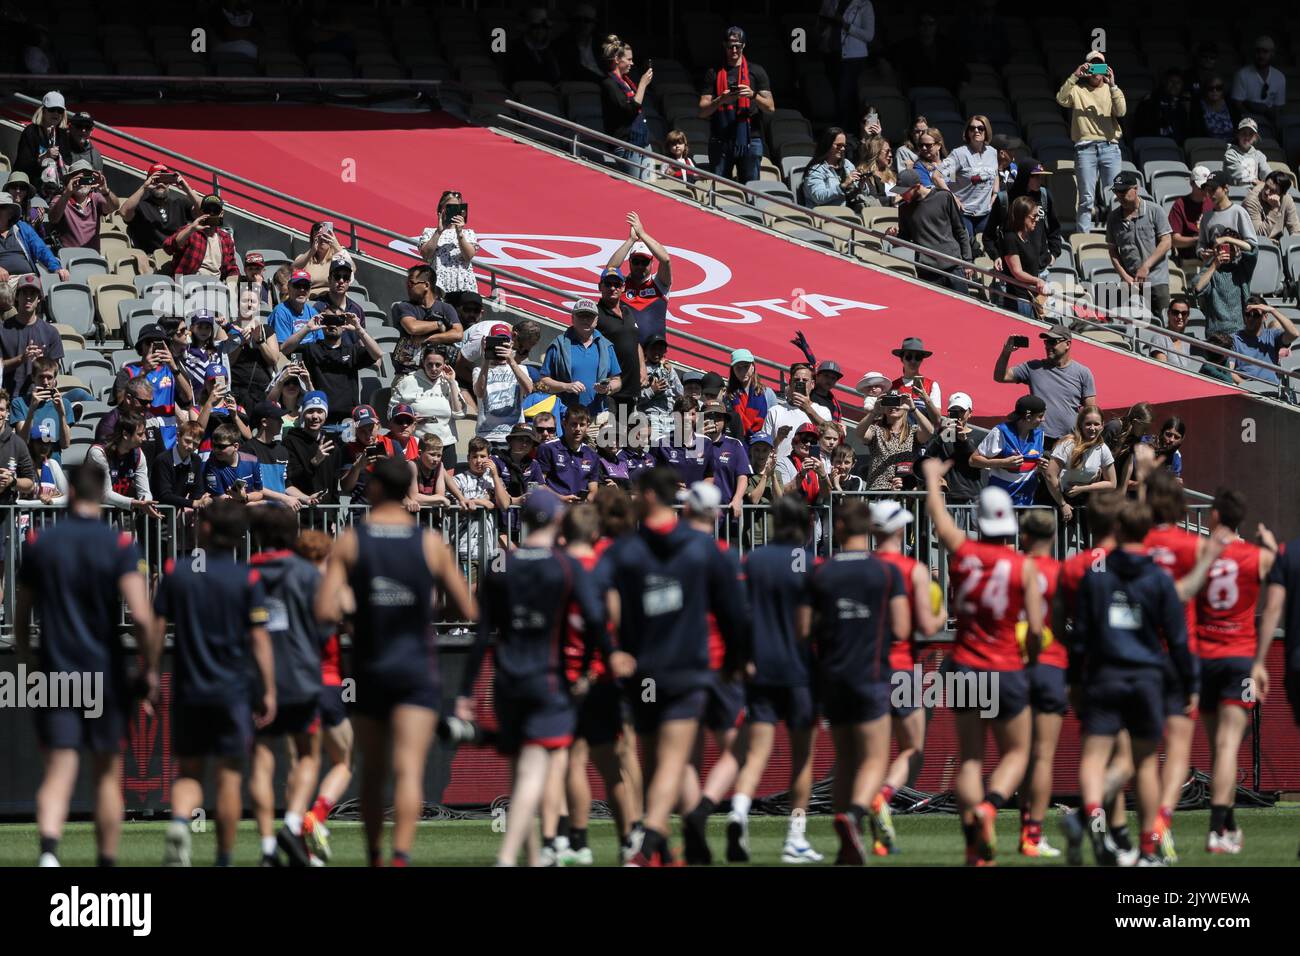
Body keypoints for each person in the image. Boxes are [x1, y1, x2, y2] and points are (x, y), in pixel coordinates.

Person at [316, 458, 476, 866]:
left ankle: (374, 857)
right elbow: (467, 609)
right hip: (417, 669)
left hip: (371, 668)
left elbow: (324, 608)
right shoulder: (429, 543)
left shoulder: (353, 539)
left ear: (372, 490)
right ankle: (401, 858)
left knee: (372, 772)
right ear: (408, 489)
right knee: (409, 770)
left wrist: (354, 617)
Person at [461, 488, 625, 867]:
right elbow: (596, 620)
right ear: (556, 520)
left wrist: (466, 692)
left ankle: (534, 858)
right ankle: (505, 858)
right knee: (537, 770)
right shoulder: (565, 565)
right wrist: (601, 660)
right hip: (548, 681)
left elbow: (481, 634)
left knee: (521, 774)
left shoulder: (502, 566)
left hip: (505, 682)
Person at [602, 467, 749, 867]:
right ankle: (657, 842)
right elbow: (736, 614)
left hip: (651, 671)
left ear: (648, 495)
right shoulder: (705, 551)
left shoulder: (626, 550)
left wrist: (610, 648)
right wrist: (737, 662)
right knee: (666, 762)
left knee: (660, 762)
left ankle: (653, 844)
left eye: (636, 492)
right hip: (681, 669)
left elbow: (595, 600)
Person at [14, 462, 154, 868]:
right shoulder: (120, 545)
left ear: (70, 493)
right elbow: (143, 618)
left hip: (57, 670)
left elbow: (21, 617)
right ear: (101, 493)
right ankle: (106, 861)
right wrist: (147, 669)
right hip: (105, 675)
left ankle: (48, 855)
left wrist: (27, 662)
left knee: (58, 770)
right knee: (107, 774)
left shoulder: (41, 543)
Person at [1064, 500, 1198, 867]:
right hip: (1146, 677)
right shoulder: (1159, 578)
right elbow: (1179, 638)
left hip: (1103, 673)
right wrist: (1190, 683)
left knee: (1094, 757)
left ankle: (1089, 818)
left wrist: (1074, 679)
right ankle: (1148, 849)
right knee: (1143, 763)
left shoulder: (1096, 574)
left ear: (1120, 531)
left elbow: (1080, 636)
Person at [924, 457, 1043, 865]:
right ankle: (990, 807)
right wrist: (1031, 662)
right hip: (1005, 664)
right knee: (1018, 753)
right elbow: (1038, 628)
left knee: (970, 759)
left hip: (962, 663)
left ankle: (975, 847)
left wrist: (931, 480)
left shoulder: (963, 552)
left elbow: (940, 522)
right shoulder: (1022, 567)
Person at [152, 501, 273, 866]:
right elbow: (260, 640)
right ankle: (223, 858)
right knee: (229, 777)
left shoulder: (177, 571)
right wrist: (268, 689)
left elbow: (155, 626)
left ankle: (178, 823)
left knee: (189, 773)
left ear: (205, 531)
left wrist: (149, 673)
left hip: (189, 690)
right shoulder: (248, 578)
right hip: (233, 693)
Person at [808, 497, 910, 864]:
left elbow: (804, 627)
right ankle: (851, 817)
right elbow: (901, 627)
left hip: (832, 675)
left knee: (845, 759)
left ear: (836, 528)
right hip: (871, 674)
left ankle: (846, 848)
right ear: (868, 529)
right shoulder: (886, 572)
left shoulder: (820, 571)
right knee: (873, 760)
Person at [1194, 488, 1275, 854]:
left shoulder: (1200, 552)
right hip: (1239, 658)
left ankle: (1227, 824)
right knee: (1227, 746)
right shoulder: (1257, 557)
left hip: (1204, 656)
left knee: (1218, 747)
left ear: (1214, 517)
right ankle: (1217, 830)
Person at [246, 505, 326, 867]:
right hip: (300, 676)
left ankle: (266, 848)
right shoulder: (307, 574)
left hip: (257, 682)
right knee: (308, 753)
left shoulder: (245, 573)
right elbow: (325, 626)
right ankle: (292, 823)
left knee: (262, 761)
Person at [871, 498, 944, 855]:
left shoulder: (864, 567)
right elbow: (928, 625)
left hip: (864, 668)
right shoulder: (912, 570)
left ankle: (865, 813)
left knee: (870, 754)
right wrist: (941, 607)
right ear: (900, 529)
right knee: (912, 747)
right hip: (899, 667)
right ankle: (882, 797)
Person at [1056, 51, 1127, 233]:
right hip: (1085, 148)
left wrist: (1113, 85)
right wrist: (1074, 76)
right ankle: (1084, 237)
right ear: (1086, 68)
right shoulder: (1078, 90)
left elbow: (1121, 112)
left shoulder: (1111, 90)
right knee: (1086, 198)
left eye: (1100, 66)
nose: (1096, 71)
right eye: (1092, 66)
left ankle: (1117, 234)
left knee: (1115, 195)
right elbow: (1061, 99)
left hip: (1109, 147)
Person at [993, 327, 1097, 448]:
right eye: (1046, 342)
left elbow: (1090, 411)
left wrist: (1084, 442)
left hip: (1068, 441)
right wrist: (1006, 352)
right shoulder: (1033, 367)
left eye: (1053, 342)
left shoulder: (1083, 373)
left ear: (1067, 344)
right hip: (1035, 438)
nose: (1048, 346)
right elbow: (1001, 377)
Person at [698, 27, 774, 184]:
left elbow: (770, 108)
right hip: (721, 139)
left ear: (743, 46)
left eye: (737, 46)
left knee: (752, 189)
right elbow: (702, 112)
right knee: (720, 189)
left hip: (750, 139)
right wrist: (721, 100)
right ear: (724, 45)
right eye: (730, 46)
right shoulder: (714, 72)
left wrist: (752, 95)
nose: (733, 50)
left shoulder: (756, 71)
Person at [283, 309, 383, 426]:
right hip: (319, 417)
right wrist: (307, 328)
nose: (332, 324)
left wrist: (359, 330)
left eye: (337, 320)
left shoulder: (352, 350)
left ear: (344, 325)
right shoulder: (311, 349)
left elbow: (377, 354)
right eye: (328, 320)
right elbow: (285, 349)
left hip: (348, 418)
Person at [888, 169, 972, 292]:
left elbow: (960, 230)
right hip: (927, 271)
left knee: (963, 309)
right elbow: (904, 238)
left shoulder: (944, 197)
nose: (901, 195)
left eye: (904, 192)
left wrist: (967, 261)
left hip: (954, 266)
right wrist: (892, 237)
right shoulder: (904, 209)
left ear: (917, 187)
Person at [1106, 171, 1173, 317]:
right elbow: (1112, 251)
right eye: (1117, 191)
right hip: (1130, 283)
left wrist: (1146, 266)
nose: (1120, 195)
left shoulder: (1154, 210)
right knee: (1131, 326)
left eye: (1124, 191)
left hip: (1156, 280)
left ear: (1136, 189)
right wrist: (1124, 276)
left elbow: (1167, 242)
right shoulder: (1113, 217)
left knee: (1163, 323)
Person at [538, 299, 621, 416]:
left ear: (596, 320)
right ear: (572, 318)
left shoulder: (607, 346)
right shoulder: (558, 345)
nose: (586, 320)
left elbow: (617, 380)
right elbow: (543, 381)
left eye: (590, 316)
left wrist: (608, 388)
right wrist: (566, 386)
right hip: (565, 416)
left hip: (597, 416)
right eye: (581, 316)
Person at [391, 344, 466, 469]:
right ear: (422, 362)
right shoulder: (408, 381)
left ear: (445, 364)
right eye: (429, 364)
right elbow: (391, 412)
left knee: (445, 486)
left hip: (445, 444)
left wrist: (452, 382)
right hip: (417, 443)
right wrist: (409, 419)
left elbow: (460, 414)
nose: (434, 368)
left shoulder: (448, 382)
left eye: (438, 365)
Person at [606, 212, 673, 347]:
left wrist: (642, 233)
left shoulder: (660, 284)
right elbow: (610, 268)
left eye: (645, 262)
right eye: (636, 261)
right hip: (623, 353)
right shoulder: (621, 284)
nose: (640, 266)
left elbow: (665, 260)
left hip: (651, 358)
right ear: (629, 262)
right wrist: (631, 240)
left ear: (652, 263)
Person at [984, 160, 1063, 271]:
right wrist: (995, 256)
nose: (1040, 180)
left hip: (1040, 267)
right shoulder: (1005, 199)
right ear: (1025, 176)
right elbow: (988, 235)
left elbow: (1054, 228)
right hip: (1011, 268)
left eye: (1041, 177)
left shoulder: (1044, 196)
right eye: (1036, 177)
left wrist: (1054, 254)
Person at [971, 394, 1048, 506]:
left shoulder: (1039, 435)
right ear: (1028, 417)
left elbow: (1031, 470)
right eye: (1040, 416)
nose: (1043, 420)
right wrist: (1003, 462)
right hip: (999, 504)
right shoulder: (1001, 431)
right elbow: (973, 461)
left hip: (1025, 504)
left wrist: (1041, 468)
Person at [1045, 406, 1117, 524]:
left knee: (1091, 540)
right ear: (1080, 425)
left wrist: (1082, 488)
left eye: (1096, 424)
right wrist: (1063, 504)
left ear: (1102, 425)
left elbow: (1112, 484)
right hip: (1058, 498)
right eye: (1088, 424)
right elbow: (1050, 475)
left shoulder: (1103, 449)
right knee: (1063, 541)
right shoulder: (1068, 444)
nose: (1092, 428)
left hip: (1085, 500)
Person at [391, 264, 463, 377]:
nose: (407, 287)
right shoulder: (404, 306)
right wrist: (439, 324)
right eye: (407, 283)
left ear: (426, 285)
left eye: (411, 283)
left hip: (437, 373)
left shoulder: (446, 308)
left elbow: (458, 334)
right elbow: (412, 328)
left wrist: (429, 338)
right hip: (408, 372)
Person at [1, 274, 64, 403]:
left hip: (41, 398)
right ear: (17, 297)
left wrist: (41, 363)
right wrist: (21, 359)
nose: (28, 298)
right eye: (24, 293)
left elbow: (54, 373)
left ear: (39, 299)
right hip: (8, 398)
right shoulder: (2, 329)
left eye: (33, 294)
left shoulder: (51, 332)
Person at [593, 268, 643, 425]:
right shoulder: (595, 314)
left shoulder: (627, 311)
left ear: (623, 287)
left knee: (627, 438)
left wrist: (643, 367)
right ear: (600, 286)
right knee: (610, 439)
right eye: (608, 284)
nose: (612, 288)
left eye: (617, 284)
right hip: (611, 390)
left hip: (632, 389)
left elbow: (636, 341)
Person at [853, 391, 932, 490]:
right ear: (884, 406)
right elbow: (859, 433)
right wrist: (874, 412)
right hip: (878, 490)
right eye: (889, 401)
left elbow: (929, 432)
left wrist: (913, 409)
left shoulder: (913, 431)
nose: (893, 406)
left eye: (898, 402)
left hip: (905, 490)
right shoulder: (876, 430)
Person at [600, 35, 654, 181]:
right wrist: (642, 84)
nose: (632, 63)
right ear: (617, 59)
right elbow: (630, 110)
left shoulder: (626, 81)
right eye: (629, 59)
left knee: (652, 189)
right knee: (635, 189)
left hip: (642, 142)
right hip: (627, 145)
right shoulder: (609, 84)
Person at [119, 162, 203, 255]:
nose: (161, 183)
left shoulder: (180, 204)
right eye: (157, 179)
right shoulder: (141, 206)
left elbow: (203, 212)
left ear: (170, 183)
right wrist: (144, 187)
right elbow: (124, 212)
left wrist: (186, 188)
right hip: (152, 259)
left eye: (165, 179)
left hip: (177, 257)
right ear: (149, 180)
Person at [940, 115, 999, 246]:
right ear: (968, 132)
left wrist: (995, 193)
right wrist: (953, 197)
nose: (976, 131)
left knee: (988, 251)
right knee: (968, 250)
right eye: (972, 128)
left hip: (985, 212)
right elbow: (937, 176)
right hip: (964, 213)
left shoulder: (992, 152)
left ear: (986, 131)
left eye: (980, 128)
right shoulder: (959, 154)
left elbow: (995, 173)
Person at [473, 321, 532, 450]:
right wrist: (486, 358)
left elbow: (529, 389)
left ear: (511, 344)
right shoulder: (479, 370)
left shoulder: (521, 368)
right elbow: (480, 393)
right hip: (486, 436)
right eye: (495, 342)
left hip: (513, 436)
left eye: (504, 342)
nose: (499, 346)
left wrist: (511, 359)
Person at [818, 0, 875, 127]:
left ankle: (849, 132)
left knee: (847, 97)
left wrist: (846, 25)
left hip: (854, 59)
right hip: (831, 55)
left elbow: (869, 35)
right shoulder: (829, 2)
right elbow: (820, 25)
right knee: (836, 97)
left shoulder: (865, 4)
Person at [1193, 227, 1257, 338]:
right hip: (1216, 333)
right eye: (1224, 247)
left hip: (1239, 331)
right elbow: (1198, 288)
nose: (1227, 251)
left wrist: (1227, 239)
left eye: (1231, 248)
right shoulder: (1211, 269)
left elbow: (1252, 250)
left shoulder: (1242, 269)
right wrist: (1214, 264)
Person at [763, 363, 832, 464]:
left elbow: (829, 436)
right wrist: (778, 439)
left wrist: (808, 410)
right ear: (790, 383)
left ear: (812, 384)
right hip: (778, 471)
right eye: (796, 380)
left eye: (805, 380)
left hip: (809, 472)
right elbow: (763, 447)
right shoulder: (775, 411)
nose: (801, 383)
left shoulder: (823, 411)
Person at [416, 194, 478, 305]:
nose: (453, 211)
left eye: (456, 208)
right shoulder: (430, 232)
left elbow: (468, 256)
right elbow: (426, 255)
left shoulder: (468, 233)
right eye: (449, 207)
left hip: (463, 284)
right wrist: (439, 232)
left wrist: (459, 233)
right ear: (440, 210)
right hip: (438, 284)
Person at [284, 391, 343, 504]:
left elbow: (333, 487)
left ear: (325, 415)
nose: (315, 416)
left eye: (320, 411)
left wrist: (333, 518)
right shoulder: (290, 442)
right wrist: (314, 462)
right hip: (301, 513)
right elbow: (291, 481)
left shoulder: (332, 446)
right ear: (303, 414)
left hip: (326, 517)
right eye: (310, 411)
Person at [997, 194, 1051, 316]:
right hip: (1018, 300)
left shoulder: (1028, 237)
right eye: (1034, 216)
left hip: (1030, 297)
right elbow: (1017, 272)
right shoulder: (1010, 239)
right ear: (1022, 217)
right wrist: (1037, 281)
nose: (1037, 219)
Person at [48, 161, 119, 253]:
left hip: (92, 256)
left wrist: (105, 191)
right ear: (69, 181)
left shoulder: (96, 198)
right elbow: (53, 219)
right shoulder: (60, 199)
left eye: (86, 178)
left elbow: (115, 206)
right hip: (69, 257)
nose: (82, 183)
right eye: (78, 178)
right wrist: (67, 193)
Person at [162, 194, 238, 279]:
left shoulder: (226, 238)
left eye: (215, 210)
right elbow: (168, 247)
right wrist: (191, 228)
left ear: (222, 213)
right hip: (188, 283)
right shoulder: (190, 231)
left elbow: (231, 268)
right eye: (207, 210)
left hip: (215, 286)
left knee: (247, 286)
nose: (211, 213)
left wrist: (236, 285)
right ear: (201, 212)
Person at [0, 194, 67, 290]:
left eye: (1, 208)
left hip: (27, 280)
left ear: (10, 213)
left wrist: (57, 268)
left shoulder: (22, 228)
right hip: (3, 284)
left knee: (34, 289)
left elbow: (42, 250)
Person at [1230, 297, 1298, 388]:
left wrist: (1272, 310)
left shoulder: (1273, 336)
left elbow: (1294, 334)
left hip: (1271, 390)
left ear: (1265, 317)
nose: (1250, 318)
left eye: (1256, 315)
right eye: (1247, 314)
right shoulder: (1235, 339)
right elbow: (1229, 371)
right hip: (1245, 389)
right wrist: (1249, 386)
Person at [801, 127, 868, 211]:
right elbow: (818, 197)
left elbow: (863, 194)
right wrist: (843, 186)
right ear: (827, 145)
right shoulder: (816, 170)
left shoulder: (847, 164)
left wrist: (861, 186)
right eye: (838, 145)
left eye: (844, 145)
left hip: (852, 213)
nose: (842, 149)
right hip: (828, 216)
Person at [1230, 36, 1286, 131]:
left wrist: (1268, 115)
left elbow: (1278, 107)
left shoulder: (1279, 77)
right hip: (1247, 122)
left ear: (1272, 54)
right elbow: (1237, 105)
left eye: (1265, 52)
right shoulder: (1242, 74)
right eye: (1258, 51)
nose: (1261, 55)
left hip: (1269, 122)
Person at [13, 91, 69, 184]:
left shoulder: (62, 134)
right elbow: (23, 164)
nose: (56, 113)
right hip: (28, 184)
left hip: (54, 185)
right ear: (43, 111)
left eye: (60, 110)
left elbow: (68, 159)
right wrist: (44, 157)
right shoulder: (31, 131)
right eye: (52, 109)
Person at [637, 335, 682, 444]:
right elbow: (634, 399)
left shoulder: (668, 368)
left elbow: (681, 392)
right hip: (649, 420)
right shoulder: (640, 370)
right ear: (646, 350)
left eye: (660, 349)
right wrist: (652, 390)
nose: (657, 352)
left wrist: (671, 376)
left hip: (669, 419)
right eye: (654, 348)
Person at [290, 221, 355, 298]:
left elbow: (352, 268)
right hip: (313, 301)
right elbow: (293, 269)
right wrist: (312, 251)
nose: (322, 239)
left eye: (326, 236)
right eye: (319, 237)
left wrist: (337, 246)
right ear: (313, 238)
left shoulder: (337, 257)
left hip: (335, 299)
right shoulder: (306, 258)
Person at [1134, 68, 1191, 143]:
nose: (1174, 85)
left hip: (1176, 145)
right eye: (1171, 81)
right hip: (1152, 142)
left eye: (1178, 83)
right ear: (1165, 82)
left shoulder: (1183, 103)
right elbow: (1142, 128)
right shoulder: (1150, 100)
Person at [1168, 166, 1214, 259]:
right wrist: (1198, 240)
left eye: (1207, 186)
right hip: (1189, 257)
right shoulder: (1180, 205)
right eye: (1201, 187)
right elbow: (1174, 240)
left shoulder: (1213, 202)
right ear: (1191, 184)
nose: (1205, 190)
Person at [509, 8, 562, 85]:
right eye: (536, 27)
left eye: (544, 27)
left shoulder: (550, 49)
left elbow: (556, 76)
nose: (540, 30)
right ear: (527, 28)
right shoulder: (515, 48)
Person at [1147, 295, 1200, 371]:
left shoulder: (1189, 342)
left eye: (1184, 313)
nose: (1180, 317)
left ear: (1188, 317)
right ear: (1169, 314)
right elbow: (1161, 370)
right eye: (1175, 312)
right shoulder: (1159, 338)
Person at [1244, 171, 1300, 241]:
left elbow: (1295, 230)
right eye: (1266, 186)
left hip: (1278, 243)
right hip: (1259, 245)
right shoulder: (1251, 201)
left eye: (1272, 191)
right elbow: (1259, 236)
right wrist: (1274, 210)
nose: (1267, 192)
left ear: (1281, 194)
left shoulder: (1286, 199)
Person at [1188, 74, 1240, 142]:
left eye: (1218, 88)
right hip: (1208, 146)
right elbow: (1197, 132)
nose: (1214, 91)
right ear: (1205, 89)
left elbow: (1240, 126)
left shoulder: (1230, 104)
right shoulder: (1198, 106)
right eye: (1210, 88)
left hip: (1231, 145)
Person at [1224, 118, 1272, 186]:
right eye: (1243, 133)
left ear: (1255, 137)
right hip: (1236, 192)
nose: (1247, 137)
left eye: (1251, 134)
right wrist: (1258, 183)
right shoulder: (1230, 153)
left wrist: (1273, 182)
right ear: (1238, 135)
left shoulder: (1259, 155)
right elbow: (1238, 174)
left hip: (1254, 191)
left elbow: (1266, 172)